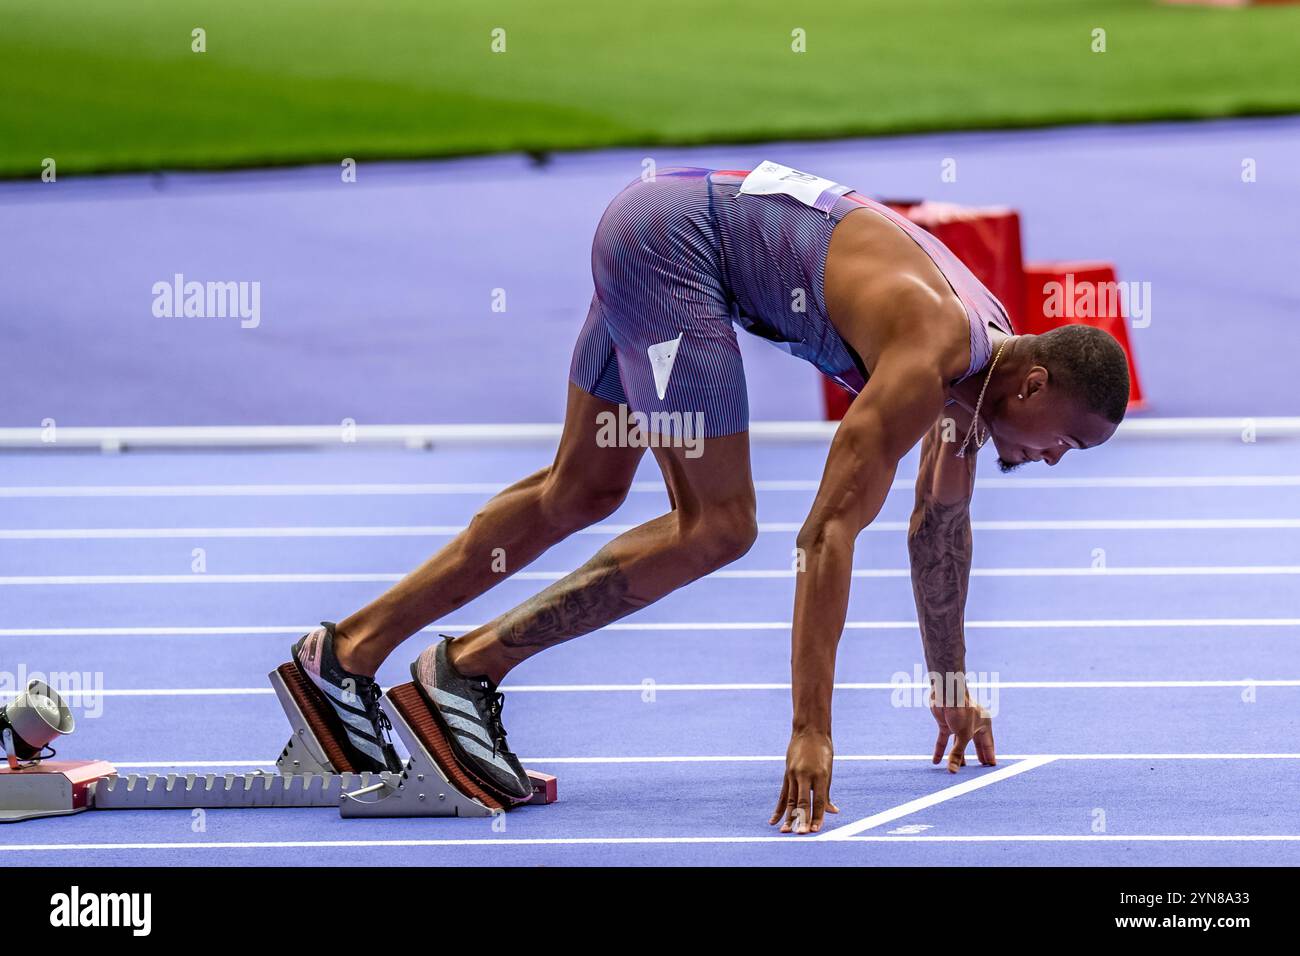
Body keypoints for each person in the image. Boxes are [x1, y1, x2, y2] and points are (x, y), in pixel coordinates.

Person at [283, 163, 1130, 832]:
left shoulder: (979, 375)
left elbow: (937, 527)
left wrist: (948, 685)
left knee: (581, 488)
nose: (1055, 460)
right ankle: (459, 674)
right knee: (719, 526)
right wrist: (811, 729)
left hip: (661, 221)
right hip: (674, 251)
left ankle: (344, 655)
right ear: (1035, 383)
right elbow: (828, 533)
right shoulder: (934, 346)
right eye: (1069, 439)